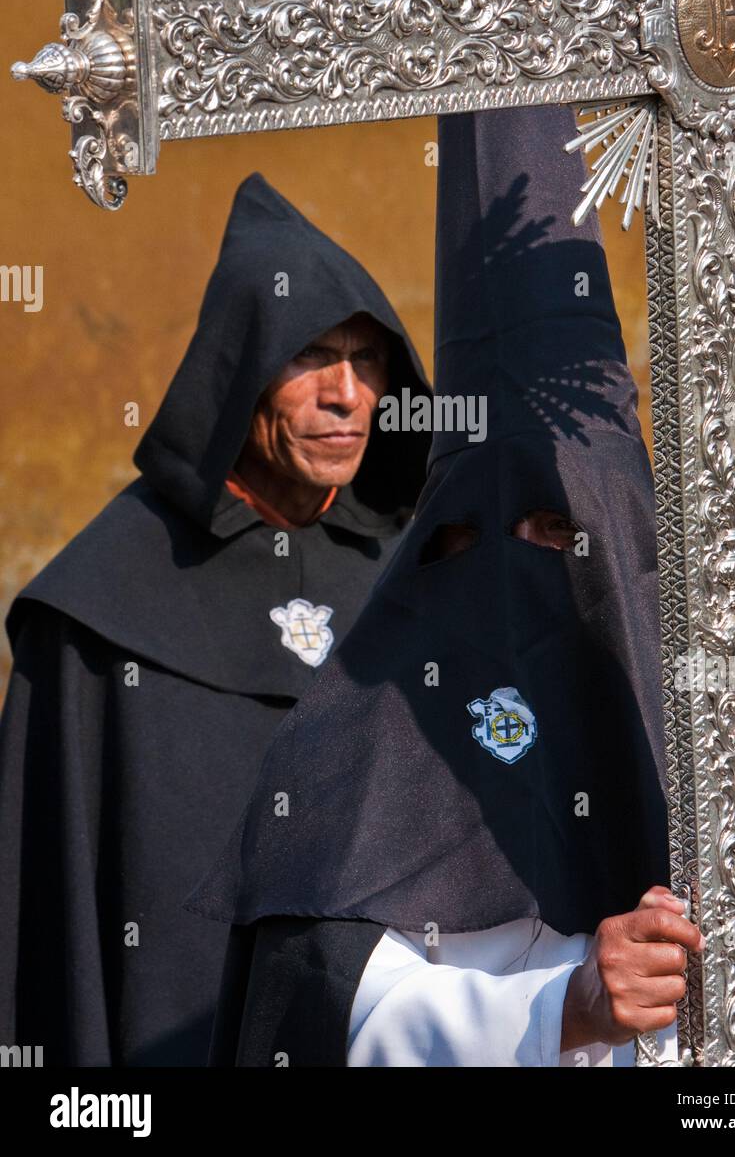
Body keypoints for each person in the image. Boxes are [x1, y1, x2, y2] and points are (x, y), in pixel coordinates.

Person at [189, 0, 735, 1068]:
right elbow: (321, 1020)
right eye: (472, 535)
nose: (519, 566)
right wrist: (560, 1010)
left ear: (639, 552)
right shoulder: (345, 755)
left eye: (571, 533)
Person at [0, 171, 430, 1066]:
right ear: (238, 371)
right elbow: (49, 930)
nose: (347, 394)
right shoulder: (95, 612)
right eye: (311, 356)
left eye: (368, 359)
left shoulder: (414, 587)